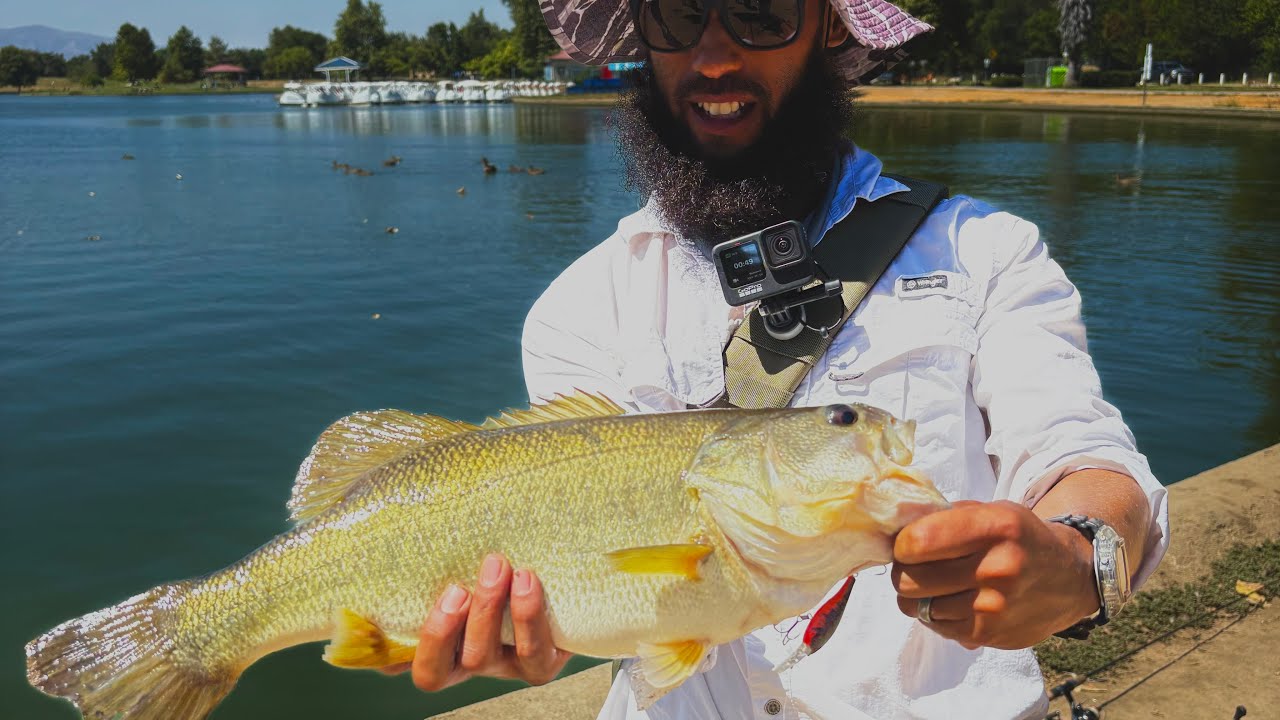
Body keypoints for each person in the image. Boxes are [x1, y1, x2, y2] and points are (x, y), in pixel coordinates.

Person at [389, 1, 1170, 717]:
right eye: (678, 15)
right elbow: (589, 578)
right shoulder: (577, 307)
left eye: (761, 14)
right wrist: (528, 622)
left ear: (831, 27)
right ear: (639, 33)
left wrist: (1079, 556)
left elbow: (1084, 453)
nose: (715, 57)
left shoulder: (986, 252)